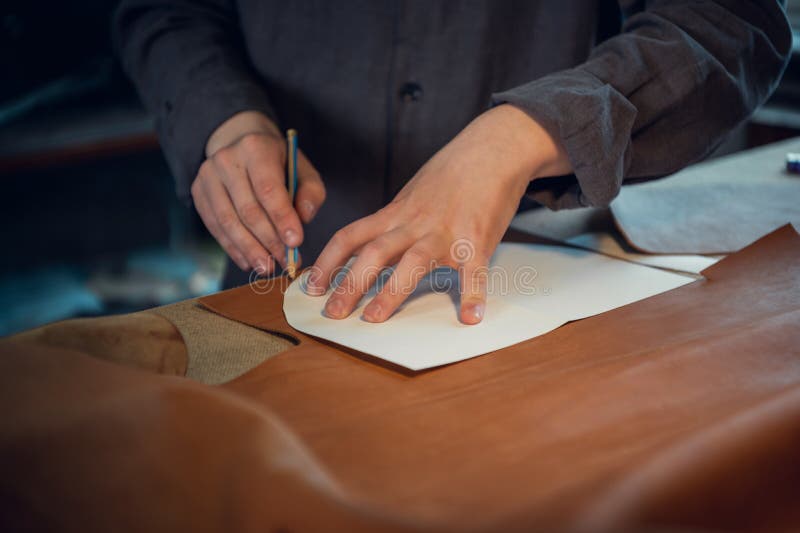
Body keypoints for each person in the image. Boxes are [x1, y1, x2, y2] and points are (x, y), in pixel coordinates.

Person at [115, 0, 790, 325]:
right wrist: (222, 115)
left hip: (536, 293)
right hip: (281, 290)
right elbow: (165, 10)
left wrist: (523, 134)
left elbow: (732, 24)